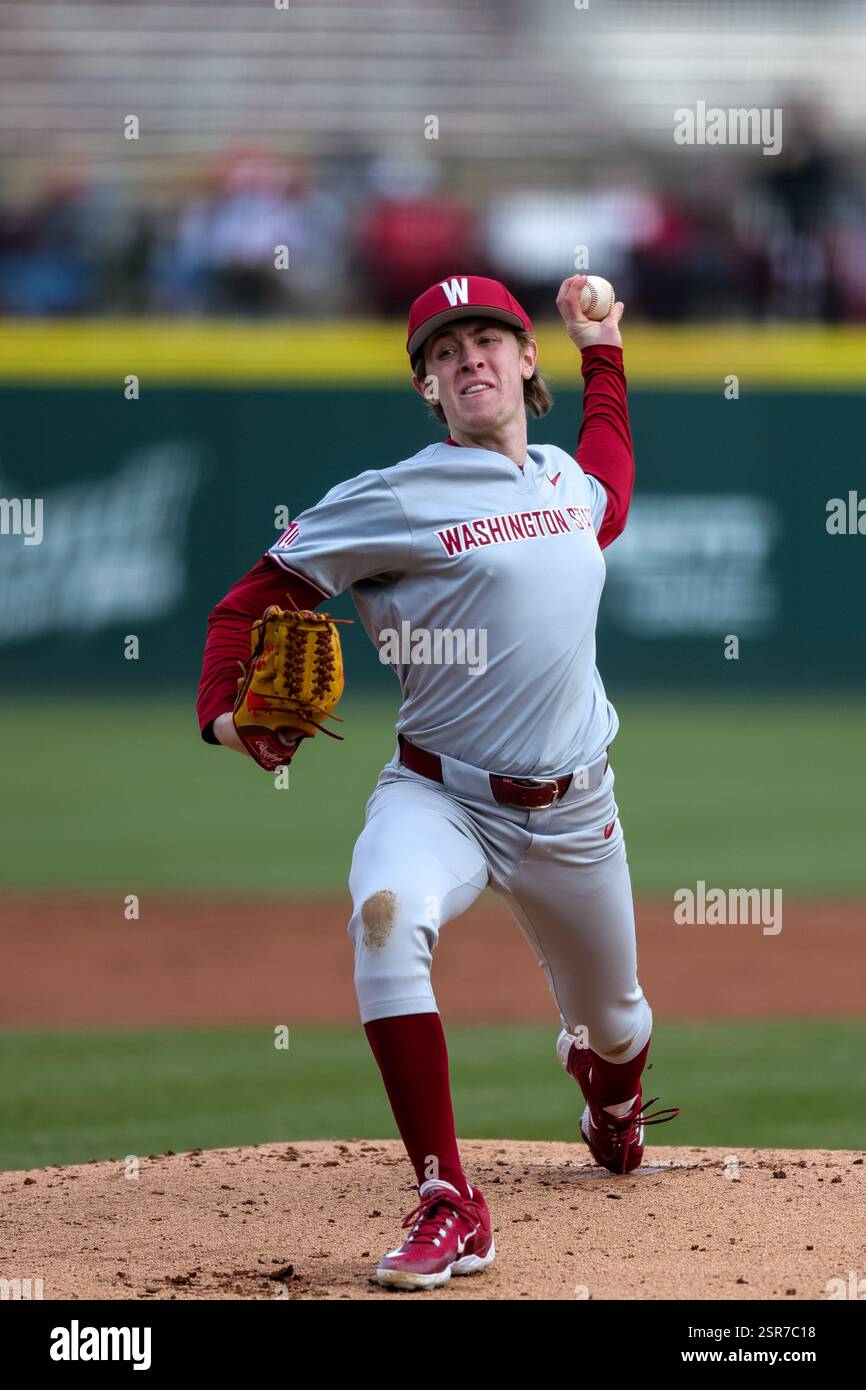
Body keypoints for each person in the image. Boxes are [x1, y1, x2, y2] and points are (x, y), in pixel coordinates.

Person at [196, 272, 679, 1292]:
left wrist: (604, 350)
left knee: (620, 1024)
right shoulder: (393, 497)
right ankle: (447, 1197)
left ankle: (606, 1090)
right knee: (381, 914)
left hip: (574, 808)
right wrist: (221, 714)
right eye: (442, 351)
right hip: (439, 795)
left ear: (522, 360)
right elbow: (246, 602)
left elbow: (612, 481)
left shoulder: (561, 483)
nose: (467, 359)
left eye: (486, 340)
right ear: (426, 386)